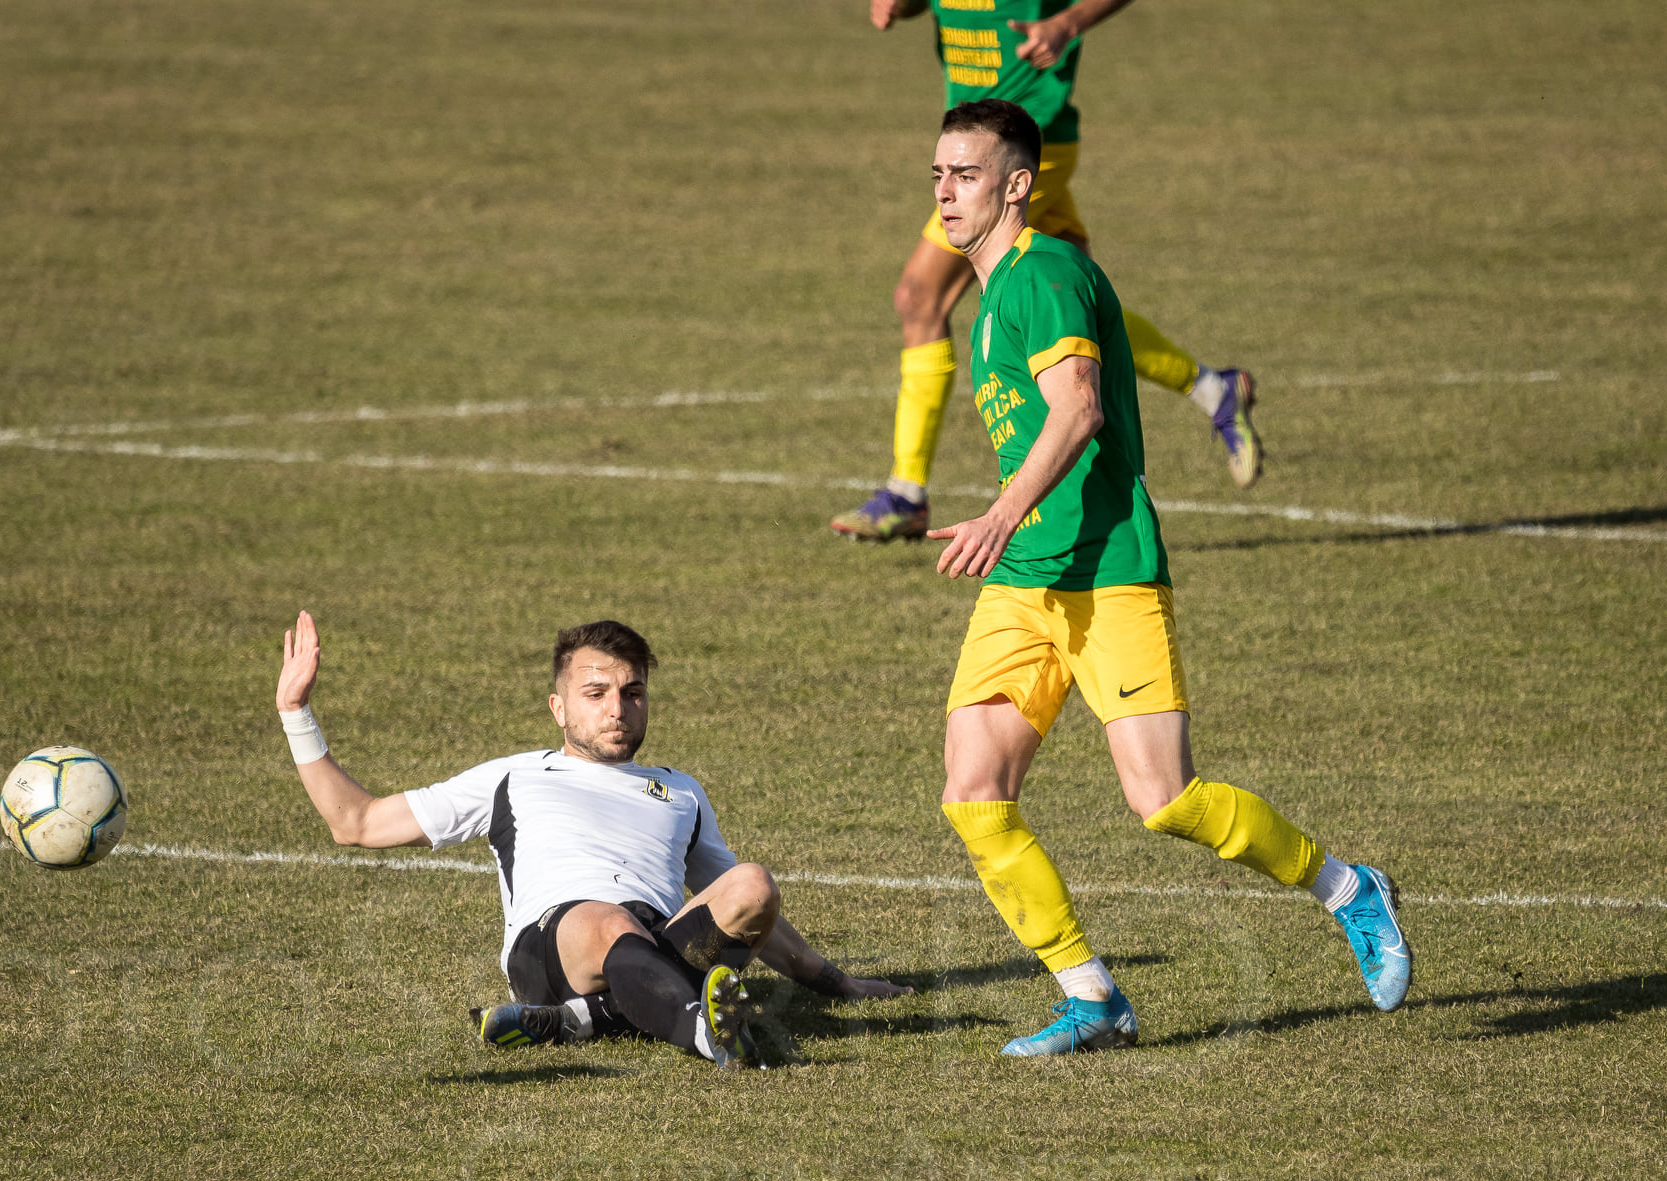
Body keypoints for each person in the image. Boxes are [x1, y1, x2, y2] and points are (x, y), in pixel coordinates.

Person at [919, 99, 1409, 1055]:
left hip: (1109, 571)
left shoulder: (1044, 275)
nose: (944, 191)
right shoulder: (990, 295)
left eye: (965, 174)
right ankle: (1092, 999)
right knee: (973, 796)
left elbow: (1080, 410)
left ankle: (1350, 888)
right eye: (937, 173)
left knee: (1166, 801)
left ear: (1017, 186)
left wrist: (999, 513)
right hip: (1025, 582)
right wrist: (1012, 532)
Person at [273, 613, 912, 1070]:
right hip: (554, 947)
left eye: (632, 694)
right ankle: (706, 1035)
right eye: (596, 694)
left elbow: (745, 913)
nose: (616, 709)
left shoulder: (681, 790)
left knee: (753, 884)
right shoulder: (513, 777)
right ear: (559, 708)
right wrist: (295, 713)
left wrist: (838, 983)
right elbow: (355, 822)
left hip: (652, 939)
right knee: (609, 921)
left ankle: (587, 1019)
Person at [833, 0, 1263, 545]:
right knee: (1080, 310)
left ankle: (906, 492)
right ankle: (1213, 388)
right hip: (977, 143)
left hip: (1018, 145)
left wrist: (1067, 23)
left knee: (919, 296)